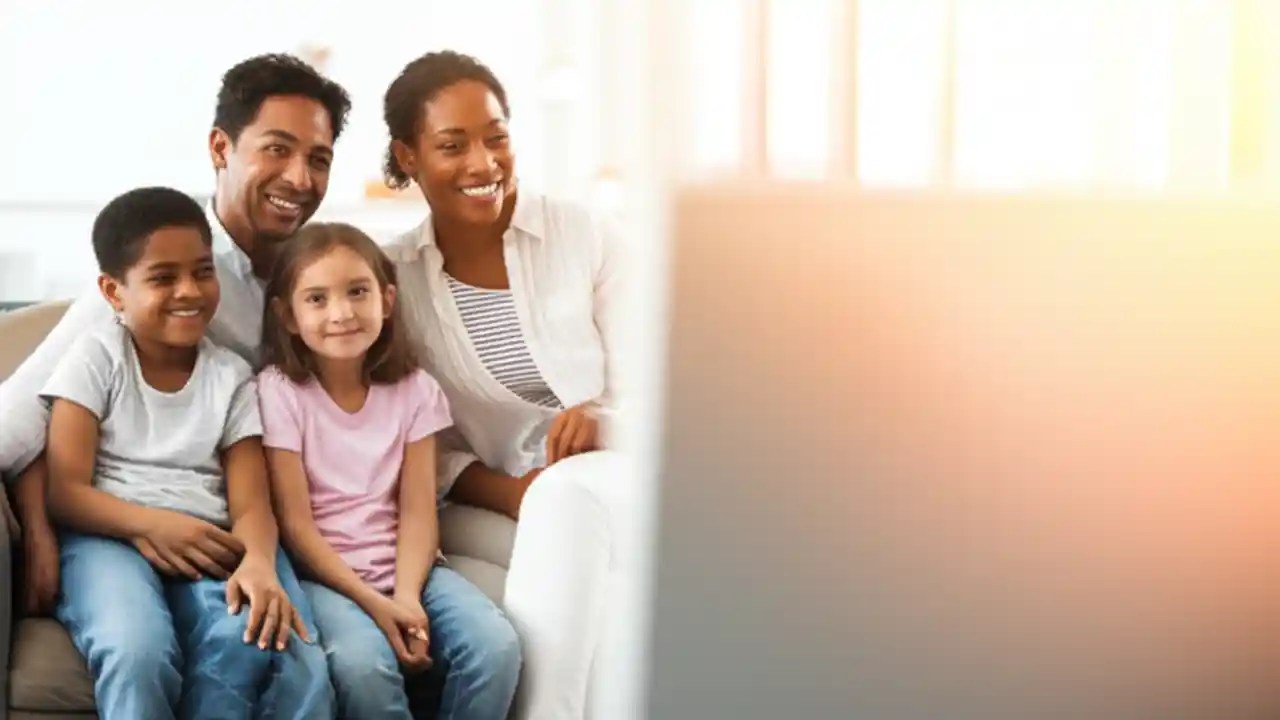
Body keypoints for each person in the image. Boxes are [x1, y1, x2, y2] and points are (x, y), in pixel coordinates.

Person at [0, 53, 351, 621]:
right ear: (220, 149)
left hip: (300, 527)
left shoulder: (323, 278)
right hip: (165, 527)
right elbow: (21, 418)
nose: (299, 178)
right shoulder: (157, 265)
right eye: (276, 149)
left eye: (319, 159)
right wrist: (38, 526)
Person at [380, 51, 632, 719]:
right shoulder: (393, 279)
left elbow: (666, 379)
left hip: (610, 478)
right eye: (452, 145)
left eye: (497, 136)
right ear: (408, 156)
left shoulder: (580, 232)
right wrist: (511, 493)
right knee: (577, 600)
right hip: (489, 499)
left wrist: (608, 415)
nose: (483, 163)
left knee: (570, 515)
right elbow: (412, 436)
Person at [42, 186, 332, 719]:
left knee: (257, 639)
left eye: (202, 271)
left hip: (208, 540)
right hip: (109, 536)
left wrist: (259, 565)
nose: (189, 291)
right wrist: (150, 525)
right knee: (137, 649)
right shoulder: (96, 357)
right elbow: (65, 492)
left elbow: (250, 505)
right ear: (113, 291)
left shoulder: (232, 377)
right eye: (162, 277)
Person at [257, 222, 521, 719]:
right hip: (325, 578)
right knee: (363, 667)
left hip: (410, 569)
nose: (341, 313)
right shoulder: (279, 392)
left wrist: (405, 597)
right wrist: (375, 605)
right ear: (287, 316)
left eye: (358, 292)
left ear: (387, 299)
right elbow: (295, 525)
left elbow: (419, 508)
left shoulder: (417, 391)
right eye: (317, 299)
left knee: (494, 647)